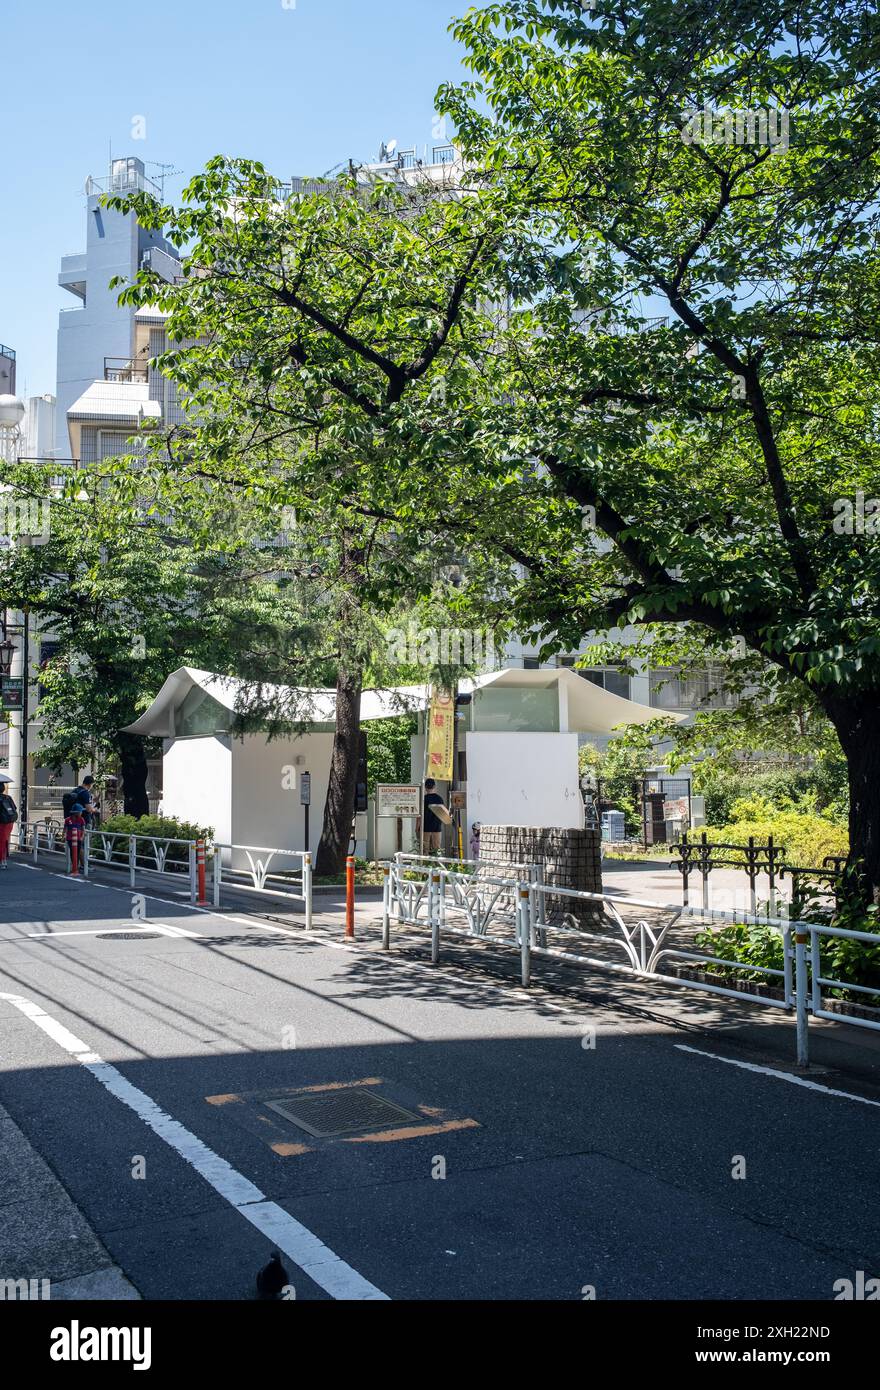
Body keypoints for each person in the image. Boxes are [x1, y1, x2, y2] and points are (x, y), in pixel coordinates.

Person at [419, 777, 446, 855]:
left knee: (425, 850)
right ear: (434, 786)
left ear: (425, 787)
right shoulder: (439, 799)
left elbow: (420, 815)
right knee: (436, 849)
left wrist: (417, 826)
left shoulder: (423, 799)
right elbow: (442, 813)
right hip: (437, 828)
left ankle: (424, 865)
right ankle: (437, 866)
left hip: (425, 828)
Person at [0, 773, 18, 869]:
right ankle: (4, 860)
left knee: (1, 842)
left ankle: (2, 860)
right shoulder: (8, 797)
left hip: (1, 822)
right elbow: (14, 808)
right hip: (9, 822)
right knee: (5, 841)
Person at [64, 802, 87, 875]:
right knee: (72, 852)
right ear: (76, 812)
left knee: (78, 851)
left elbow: (83, 829)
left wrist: (82, 837)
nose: (81, 813)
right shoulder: (68, 820)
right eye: (80, 811)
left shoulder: (81, 819)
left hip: (78, 838)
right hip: (70, 838)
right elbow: (65, 829)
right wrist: (64, 836)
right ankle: (74, 867)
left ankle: (76, 867)